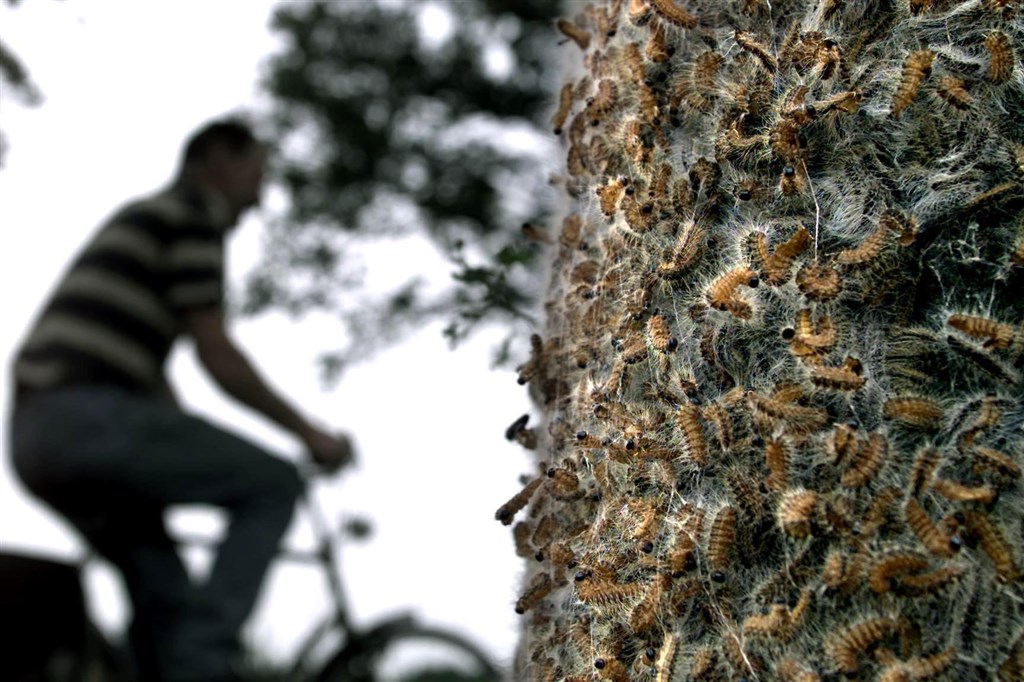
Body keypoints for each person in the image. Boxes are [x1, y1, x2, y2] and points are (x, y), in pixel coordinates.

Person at [7, 117, 355, 681]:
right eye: (255, 174)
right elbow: (217, 355)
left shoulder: (150, 222)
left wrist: (190, 445)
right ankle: (205, 657)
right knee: (271, 481)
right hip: (81, 417)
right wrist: (310, 434)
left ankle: (168, 662)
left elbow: (159, 390)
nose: (261, 198)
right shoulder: (192, 216)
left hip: (39, 434)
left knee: (166, 600)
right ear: (216, 157)